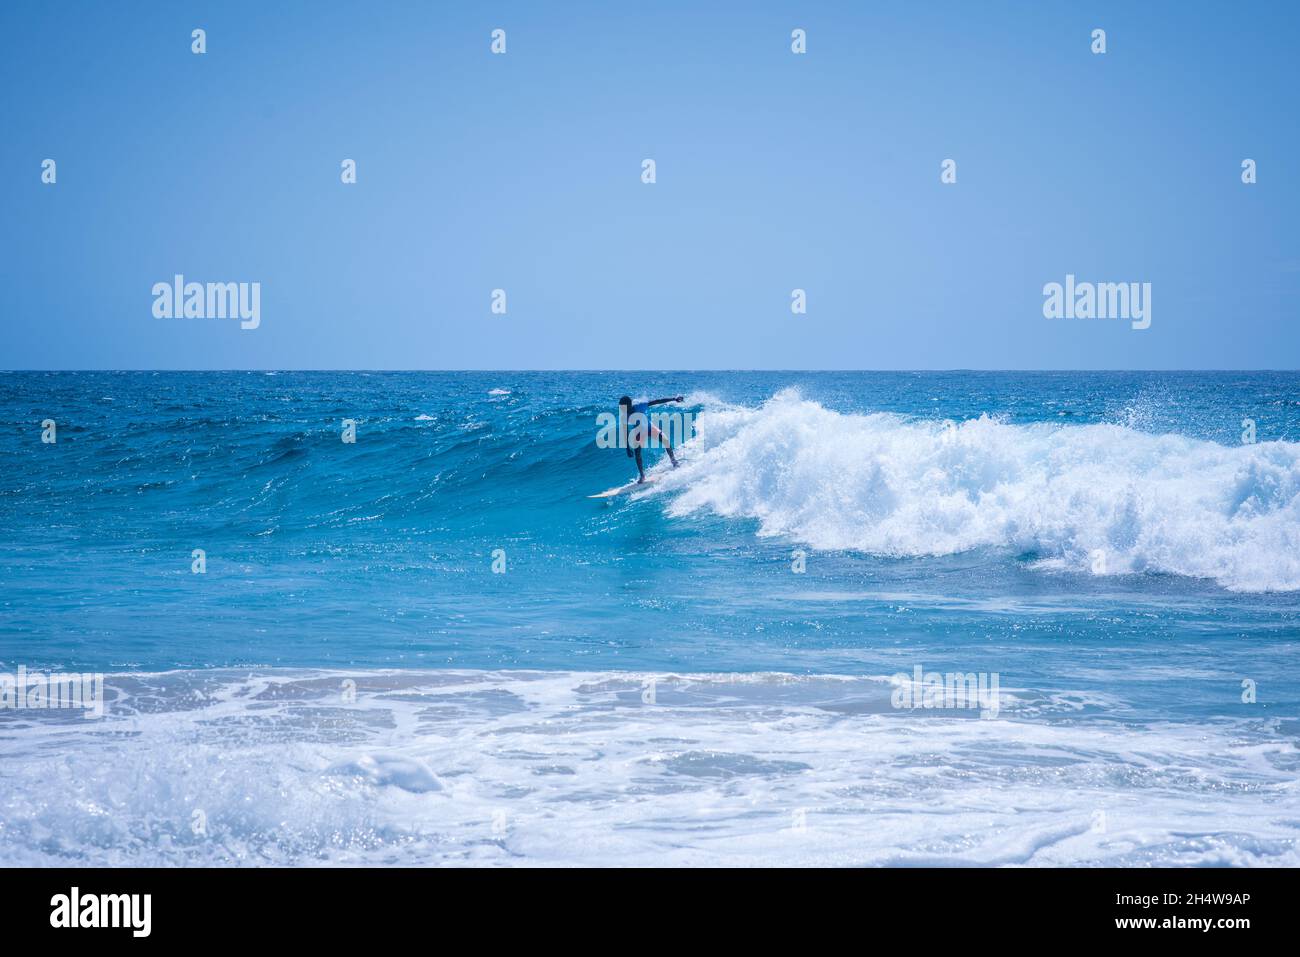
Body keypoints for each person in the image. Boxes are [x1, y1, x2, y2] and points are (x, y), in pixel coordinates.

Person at [618, 395, 683, 483]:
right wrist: (627, 448)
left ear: (629, 405)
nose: (621, 409)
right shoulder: (624, 416)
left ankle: (674, 461)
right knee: (637, 453)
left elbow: (657, 401)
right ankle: (642, 476)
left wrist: (674, 399)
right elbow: (625, 432)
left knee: (665, 441)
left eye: (623, 407)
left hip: (649, 428)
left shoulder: (639, 406)